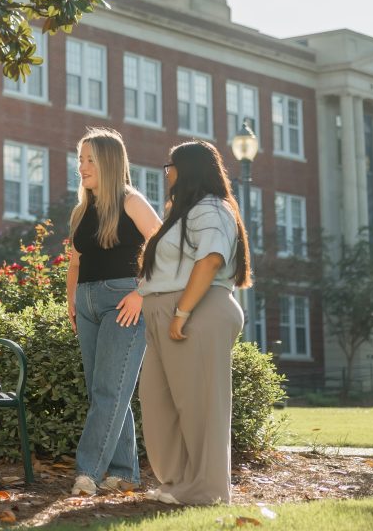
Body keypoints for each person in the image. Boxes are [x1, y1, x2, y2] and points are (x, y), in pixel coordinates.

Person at [136, 140, 252, 505]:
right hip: (166, 313)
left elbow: (211, 260)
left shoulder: (212, 209)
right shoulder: (183, 212)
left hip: (196, 312)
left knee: (201, 407)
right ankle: (179, 481)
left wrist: (182, 312)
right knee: (159, 404)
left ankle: (206, 491)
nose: (166, 173)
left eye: (169, 166)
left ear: (187, 169)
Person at [65, 129, 161, 497]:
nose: (82, 166)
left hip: (124, 302)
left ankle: (87, 471)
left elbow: (162, 246)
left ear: (108, 162)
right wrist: (71, 300)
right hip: (87, 304)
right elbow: (75, 261)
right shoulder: (82, 210)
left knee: (109, 390)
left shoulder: (130, 200)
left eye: (89, 159)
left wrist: (142, 293)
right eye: (80, 159)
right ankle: (124, 474)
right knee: (105, 391)